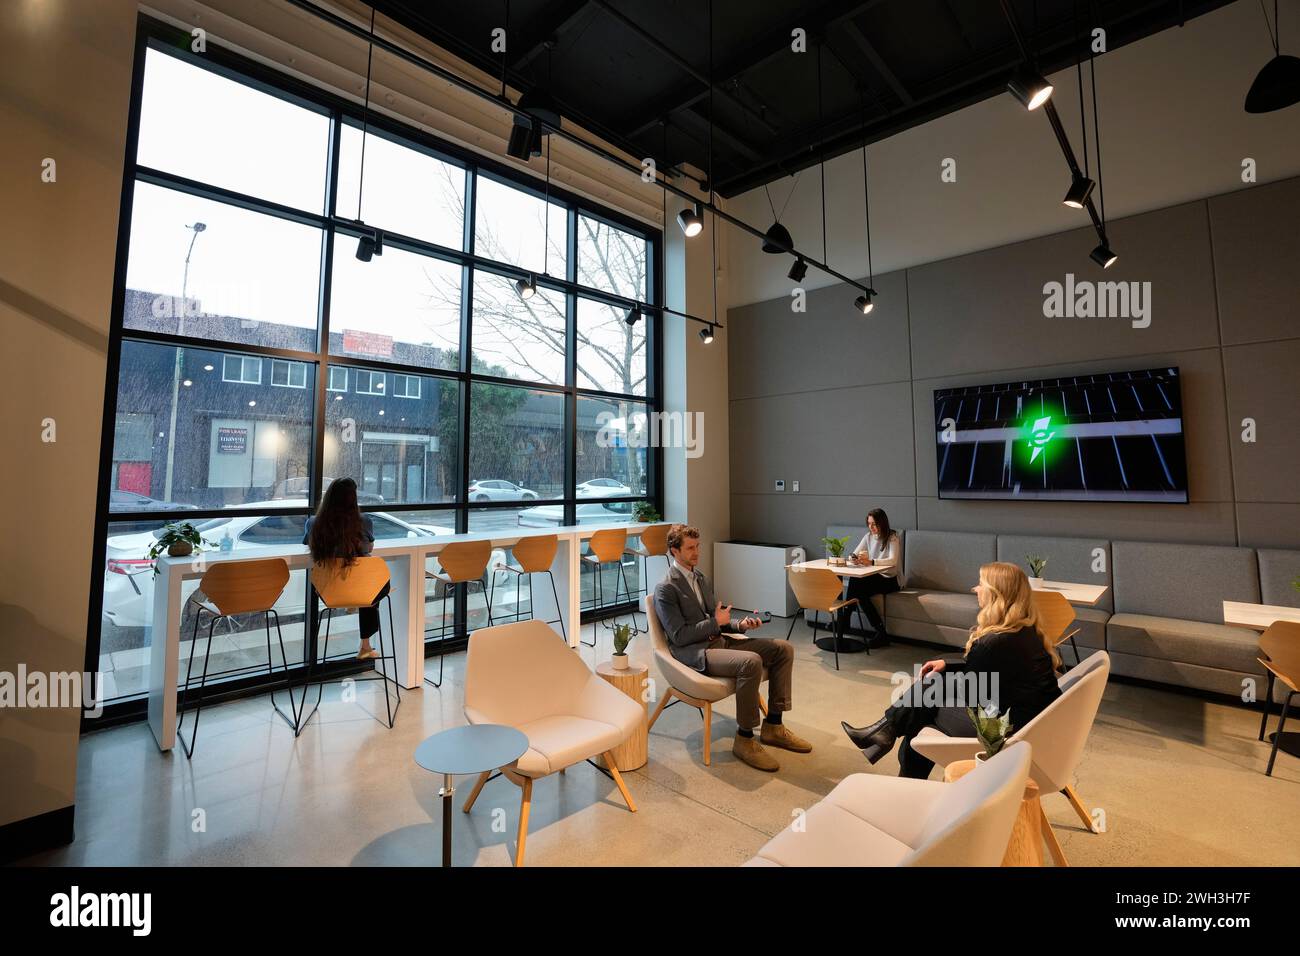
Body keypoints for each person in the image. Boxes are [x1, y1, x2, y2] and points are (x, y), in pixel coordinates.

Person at [840, 561, 1062, 779]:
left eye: (980, 583)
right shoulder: (1024, 631)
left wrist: (940, 680)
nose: (975, 589)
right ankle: (884, 734)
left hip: (1005, 730)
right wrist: (948, 666)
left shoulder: (992, 642)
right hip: (1031, 724)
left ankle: (886, 738)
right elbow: (990, 672)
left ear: (996, 593)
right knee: (926, 700)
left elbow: (969, 694)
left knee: (922, 710)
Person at [653, 524, 811, 772]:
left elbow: (720, 618)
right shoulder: (666, 588)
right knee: (750, 662)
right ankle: (745, 739)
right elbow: (680, 636)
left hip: (719, 642)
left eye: (698, 546)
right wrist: (717, 623)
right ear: (674, 551)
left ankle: (774, 726)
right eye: (690, 548)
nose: (697, 552)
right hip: (696, 654)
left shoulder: (701, 578)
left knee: (783, 649)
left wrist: (741, 624)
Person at [303, 477, 385, 661]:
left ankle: (354, 602)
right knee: (372, 581)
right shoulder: (363, 521)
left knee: (365, 580)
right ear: (353, 498)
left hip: (328, 589)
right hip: (359, 587)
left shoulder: (313, 523)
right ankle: (365, 644)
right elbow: (369, 548)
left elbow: (310, 546)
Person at [837, 508, 901, 645]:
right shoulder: (868, 537)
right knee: (859, 591)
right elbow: (853, 553)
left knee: (857, 585)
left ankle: (844, 619)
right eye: (869, 524)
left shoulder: (892, 537)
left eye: (874, 524)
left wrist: (871, 562)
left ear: (882, 523)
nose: (871, 527)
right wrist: (853, 558)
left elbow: (892, 561)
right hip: (875, 577)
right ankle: (881, 633)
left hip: (890, 580)